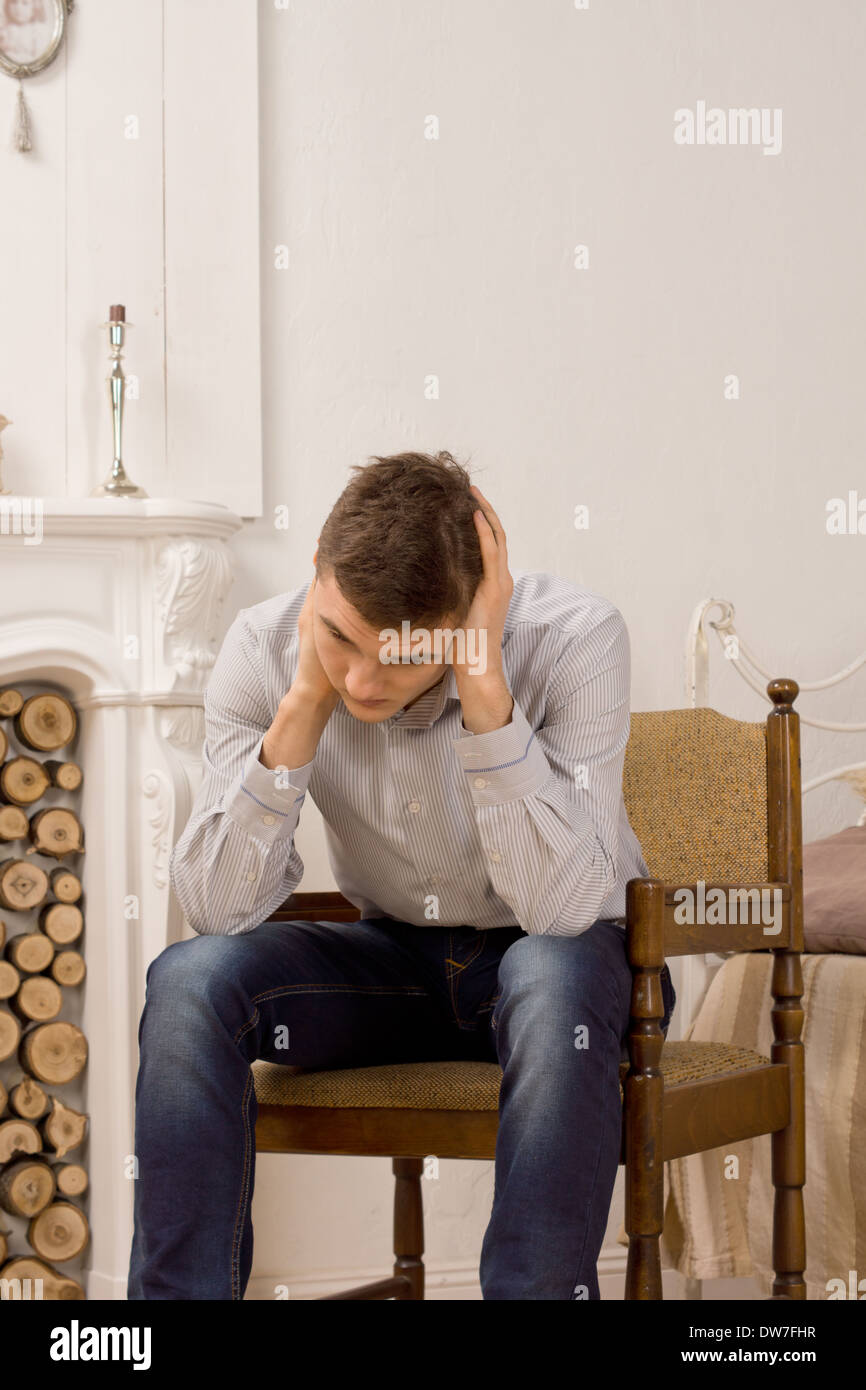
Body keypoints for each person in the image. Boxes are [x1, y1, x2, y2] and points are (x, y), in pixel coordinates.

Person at [127, 450, 675, 1301]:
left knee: (548, 972)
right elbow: (216, 906)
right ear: (318, 571)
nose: (361, 678)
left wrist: (485, 689)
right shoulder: (262, 648)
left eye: (398, 656)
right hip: (393, 969)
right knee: (189, 982)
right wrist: (302, 707)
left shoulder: (574, 639)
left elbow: (564, 908)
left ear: (469, 616)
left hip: (564, 966)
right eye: (341, 636)